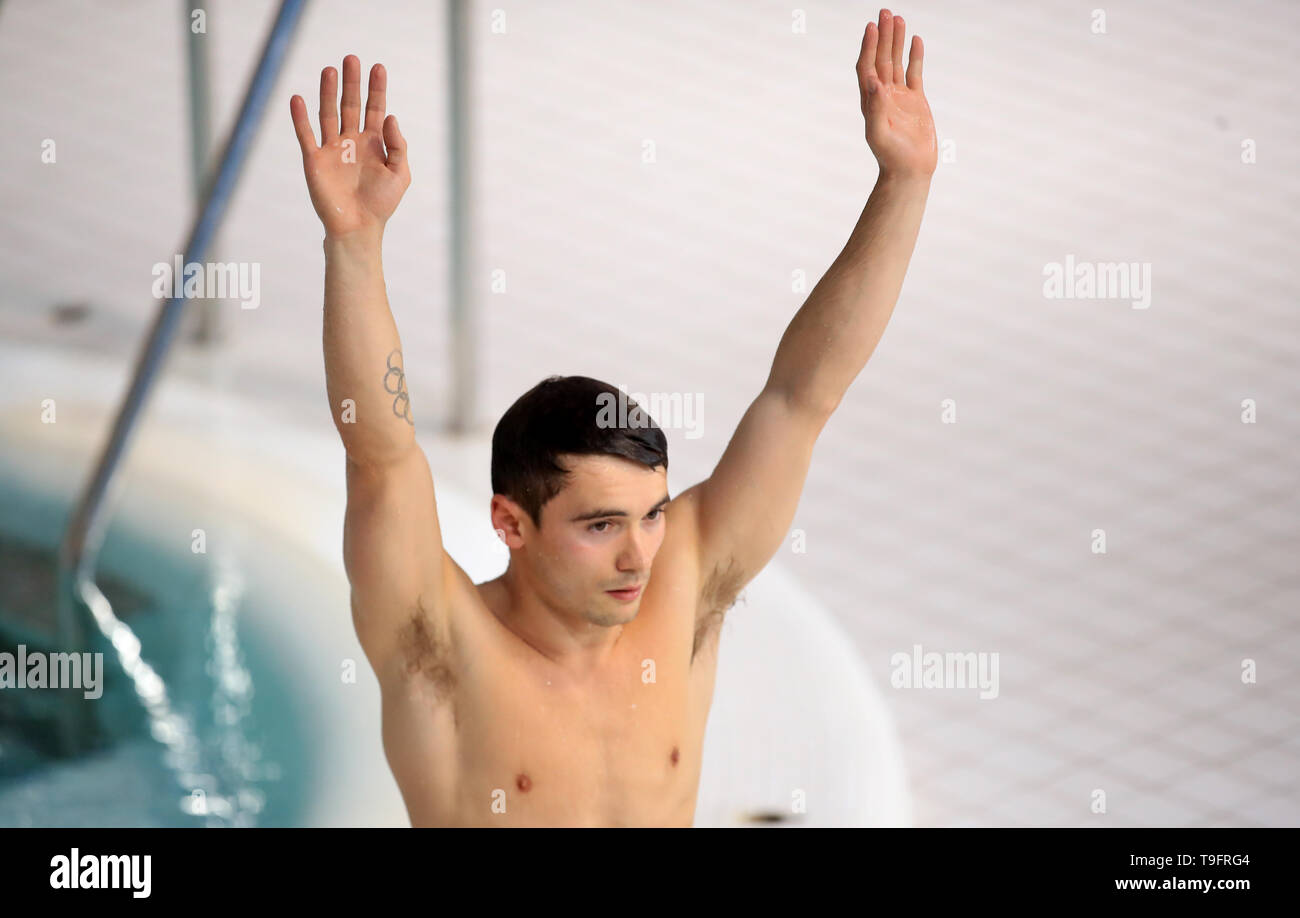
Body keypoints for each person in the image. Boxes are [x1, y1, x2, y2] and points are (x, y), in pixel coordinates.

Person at [287, 6, 936, 827]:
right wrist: (354, 244)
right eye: (600, 525)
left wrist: (904, 182)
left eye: (652, 515)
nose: (639, 554)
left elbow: (802, 396)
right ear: (509, 522)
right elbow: (379, 457)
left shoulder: (683, 587)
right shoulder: (441, 646)